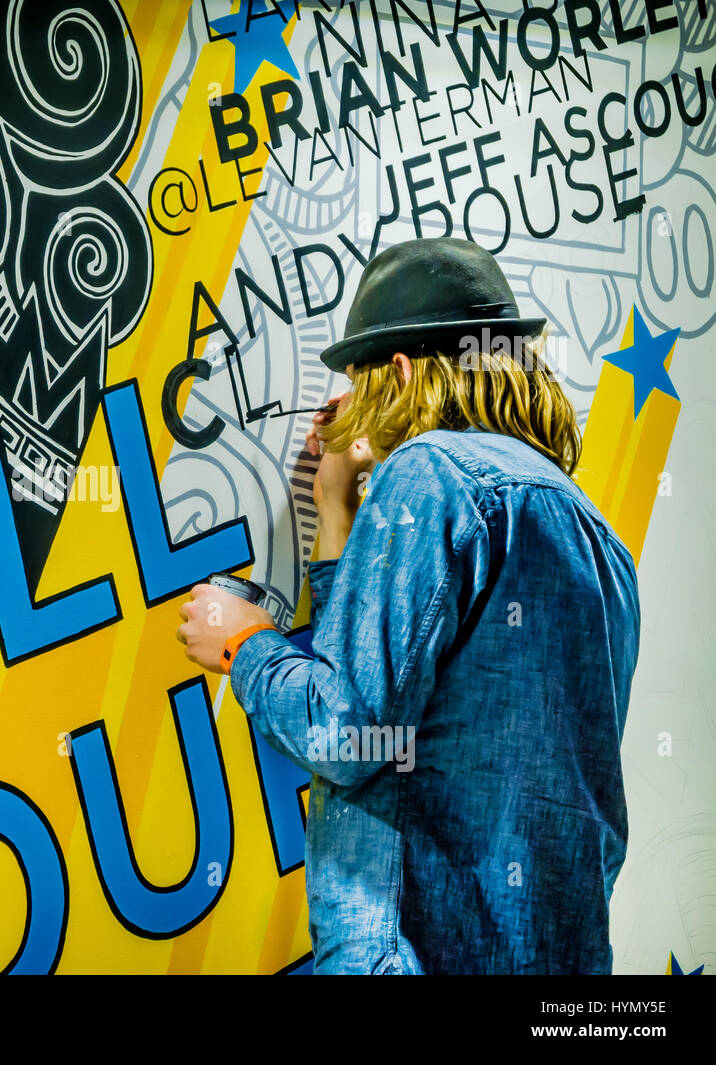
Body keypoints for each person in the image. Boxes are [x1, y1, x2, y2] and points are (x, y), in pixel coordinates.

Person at [176, 237, 641, 974]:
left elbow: (347, 728)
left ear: (397, 370)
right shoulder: (601, 542)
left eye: (359, 379)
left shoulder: (430, 475)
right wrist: (336, 512)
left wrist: (246, 644)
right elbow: (394, 667)